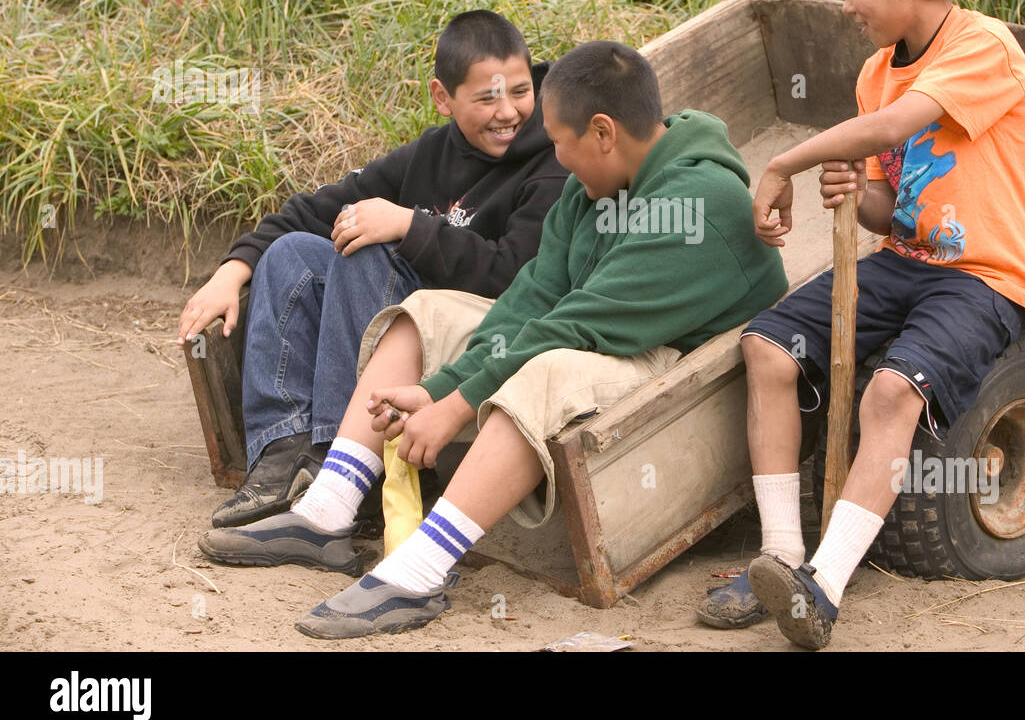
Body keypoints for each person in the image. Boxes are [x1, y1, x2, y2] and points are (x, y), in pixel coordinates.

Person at [197, 40, 789, 639]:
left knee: (544, 369)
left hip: (675, 361)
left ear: (603, 133)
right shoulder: (593, 190)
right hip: (598, 332)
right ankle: (328, 510)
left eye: (559, 141)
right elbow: (532, 298)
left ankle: (418, 574)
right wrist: (437, 389)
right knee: (425, 312)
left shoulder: (697, 207)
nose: (556, 157)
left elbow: (578, 324)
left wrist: (455, 404)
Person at [696, 0, 1025, 650]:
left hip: (988, 276)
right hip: (906, 259)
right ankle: (780, 557)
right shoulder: (872, 75)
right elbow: (891, 207)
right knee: (767, 347)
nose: (847, 4)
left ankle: (823, 588)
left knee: (891, 390)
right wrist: (855, 192)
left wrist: (788, 163)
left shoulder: (982, 46)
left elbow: (896, 125)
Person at [177, 11, 568, 529]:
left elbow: (518, 274)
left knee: (368, 250)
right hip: (400, 320)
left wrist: (410, 226)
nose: (508, 112)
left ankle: (354, 468)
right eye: (486, 99)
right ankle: (286, 453)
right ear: (443, 98)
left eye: (520, 92)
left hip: (473, 333)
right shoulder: (431, 153)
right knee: (293, 251)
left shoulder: (553, 160)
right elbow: (312, 210)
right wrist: (232, 270)